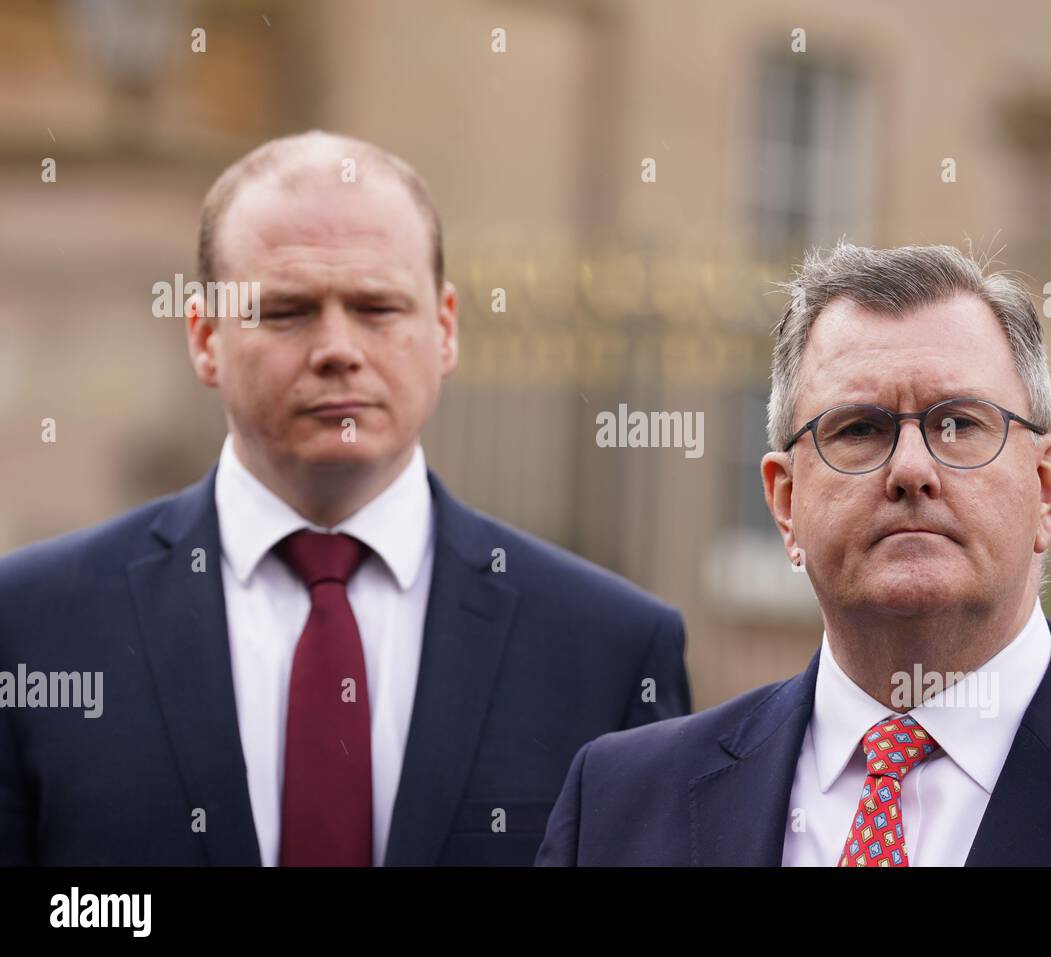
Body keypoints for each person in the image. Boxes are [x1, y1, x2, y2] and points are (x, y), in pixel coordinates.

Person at [0, 131, 690, 866]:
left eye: (377, 307)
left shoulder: (609, 651)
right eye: (288, 309)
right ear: (205, 337)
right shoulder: (33, 626)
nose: (337, 347)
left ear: (446, 328)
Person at [535, 241, 1051, 866]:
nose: (910, 469)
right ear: (783, 501)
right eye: (859, 428)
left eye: (960, 424)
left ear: (1046, 485)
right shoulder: (618, 807)